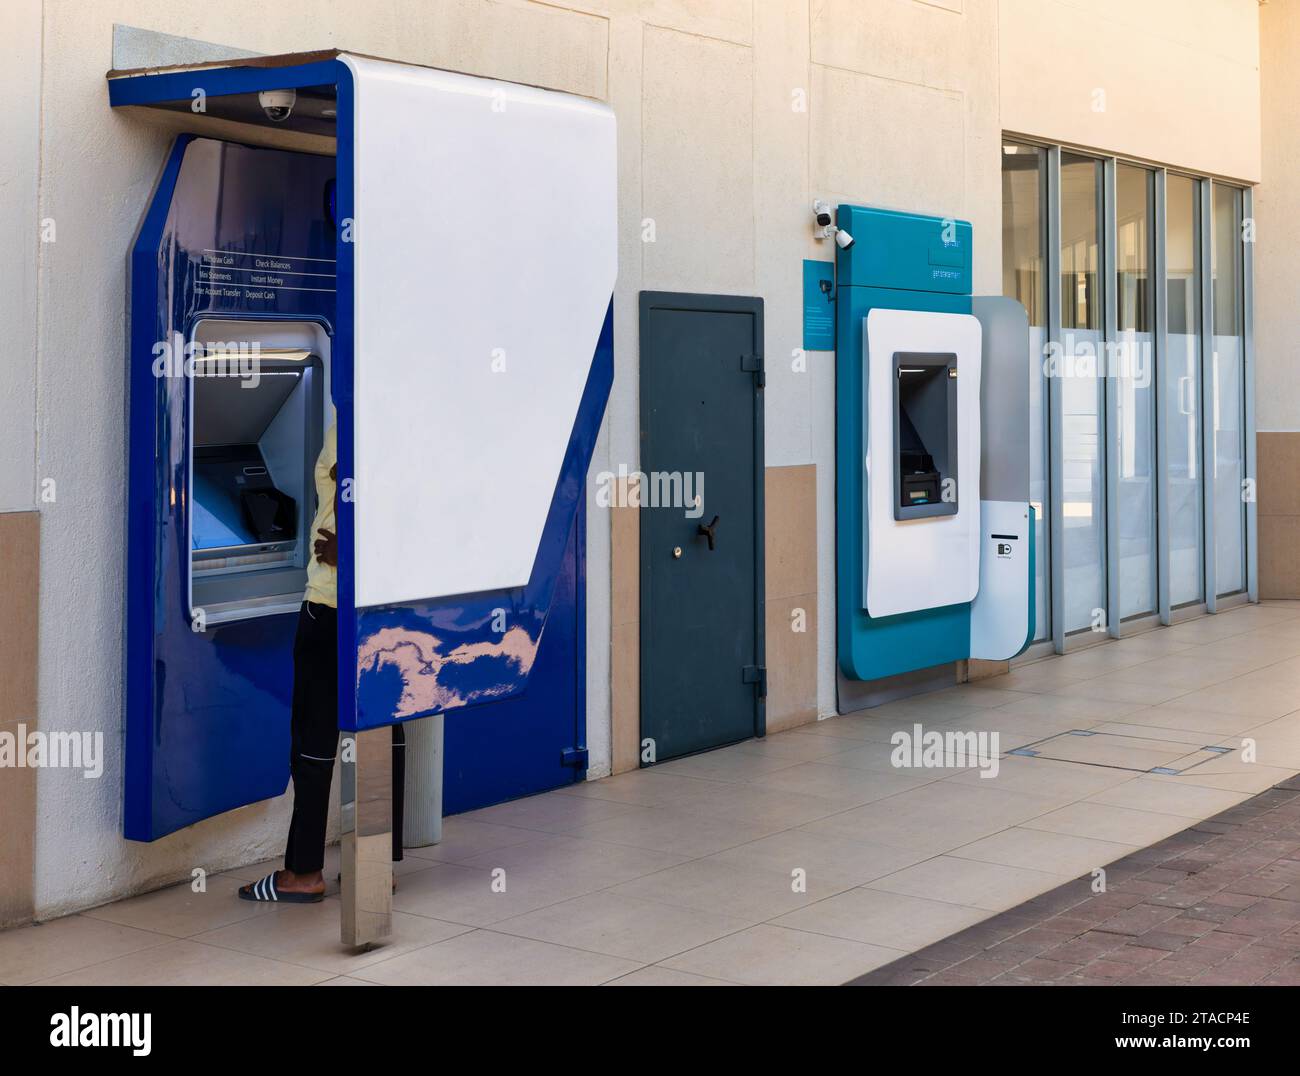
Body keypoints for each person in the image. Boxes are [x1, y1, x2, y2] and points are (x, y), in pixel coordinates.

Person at [239, 424, 405, 903]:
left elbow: (393, 495)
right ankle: (377, 866)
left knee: (314, 738)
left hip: (334, 602)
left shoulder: (365, 407)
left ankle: (303, 872)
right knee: (382, 730)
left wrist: (349, 552)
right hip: (379, 608)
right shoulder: (384, 398)